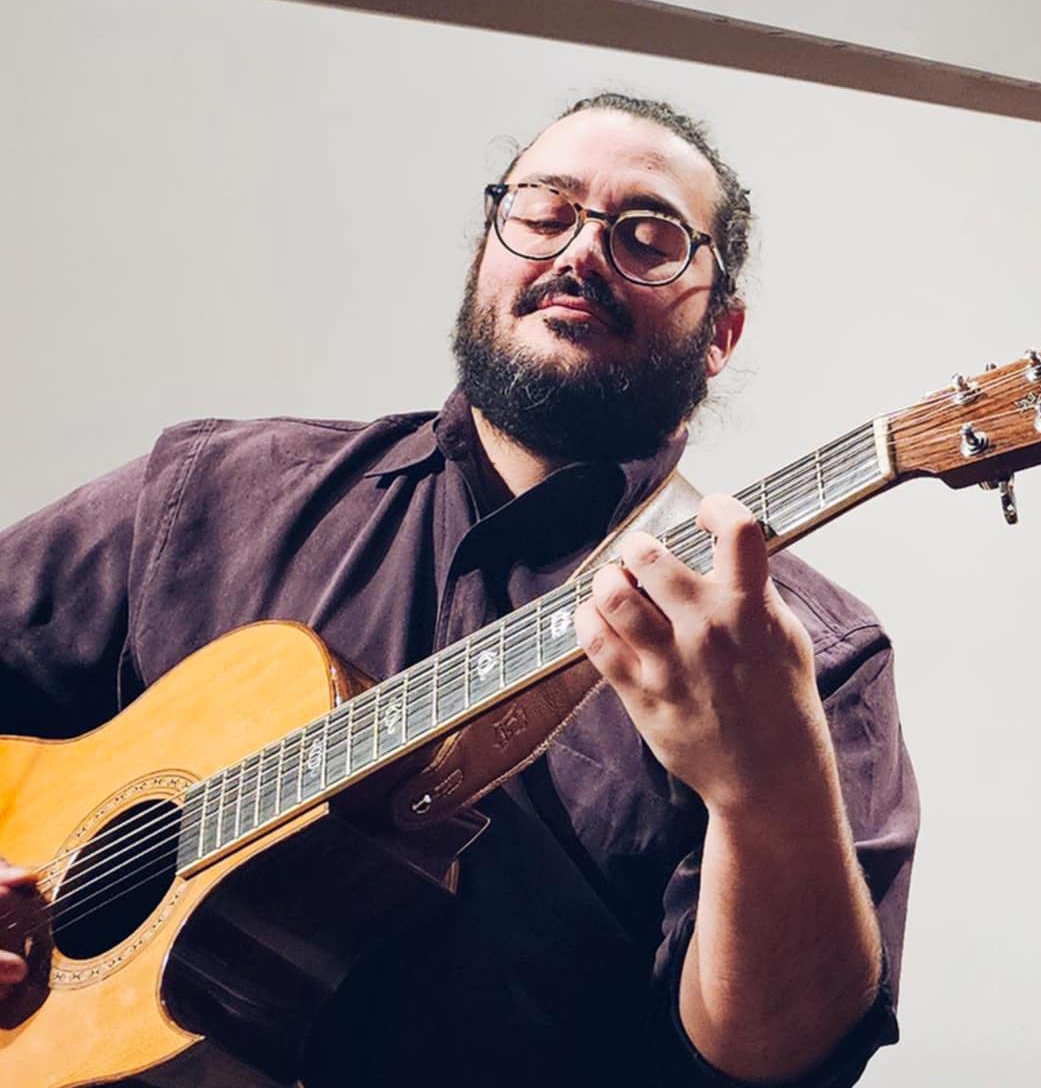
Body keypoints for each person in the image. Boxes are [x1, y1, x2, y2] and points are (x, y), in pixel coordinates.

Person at [0, 92, 917, 1087]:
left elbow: (774, 1059)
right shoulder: (214, 492)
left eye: (646, 238)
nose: (581, 253)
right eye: (544, 211)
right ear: (486, 254)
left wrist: (762, 786)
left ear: (719, 336)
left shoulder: (801, 655)